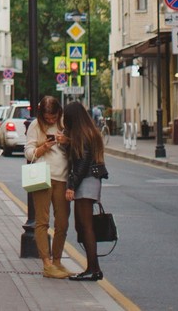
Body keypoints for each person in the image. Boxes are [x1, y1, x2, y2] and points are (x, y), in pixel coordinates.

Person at [24, 95, 70, 279]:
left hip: (63, 176)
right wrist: (43, 147)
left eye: (53, 116)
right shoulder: (36, 125)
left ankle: (57, 260)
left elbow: (77, 145)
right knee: (42, 221)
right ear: (42, 115)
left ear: (59, 112)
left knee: (63, 222)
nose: (51, 120)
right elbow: (28, 152)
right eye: (47, 117)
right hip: (42, 176)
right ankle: (47, 264)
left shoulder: (65, 123)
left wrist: (66, 141)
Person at [62, 100, 109, 282]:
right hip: (91, 180)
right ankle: (93, 267)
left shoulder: (82, 135)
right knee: (81, 225)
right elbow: (80, 156)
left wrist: (71, 186)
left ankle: (92, 268)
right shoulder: (88, 132)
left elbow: (81, 164)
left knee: (86, 226)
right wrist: (66, 143)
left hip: (86, 181)